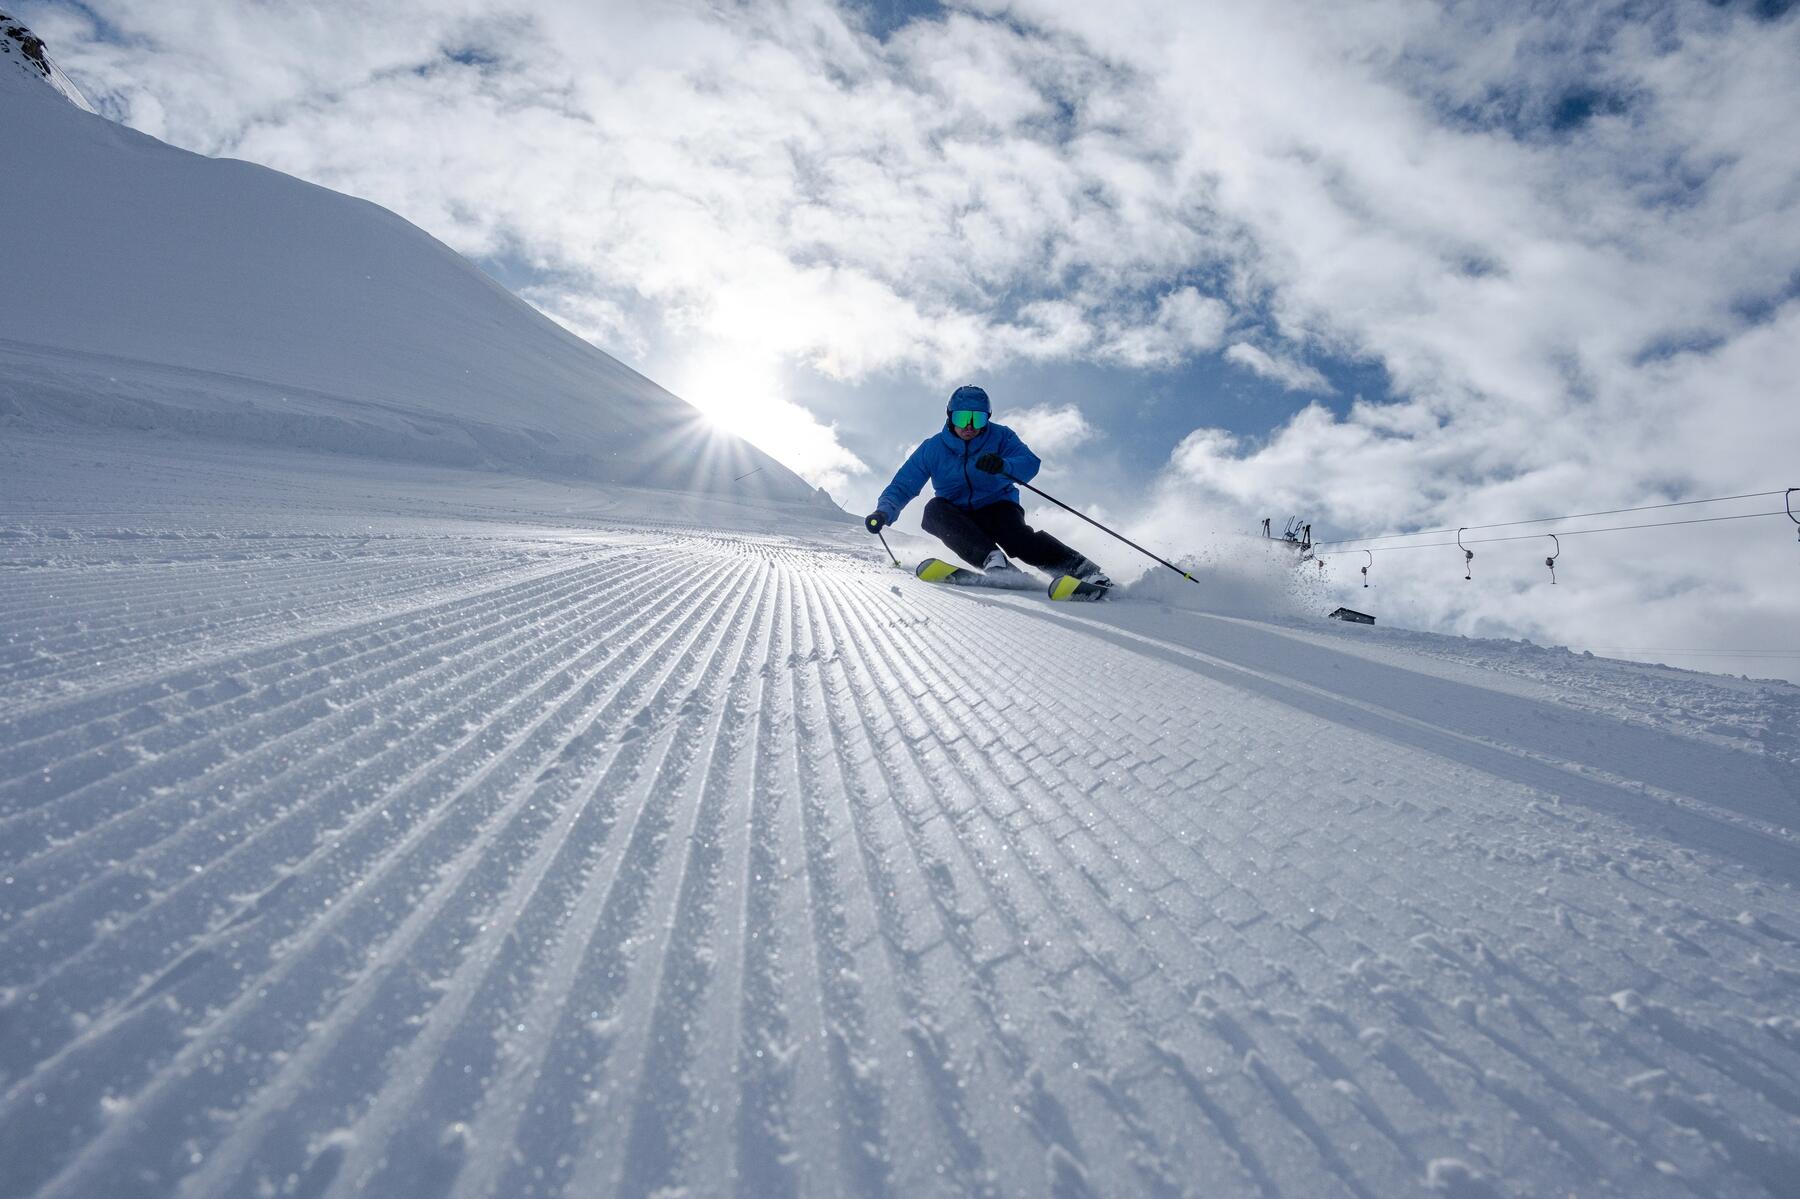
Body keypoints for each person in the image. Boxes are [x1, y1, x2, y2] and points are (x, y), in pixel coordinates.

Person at [864, 385, 1111, 586]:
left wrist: (1004, 465)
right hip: (959, 515)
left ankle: (1083, 571)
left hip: (998, 506)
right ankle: (993, 561)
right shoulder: (933, 448)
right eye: (963, 417)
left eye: (978, 418)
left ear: (987, 419)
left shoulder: (1001, 436)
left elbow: (1029, 463)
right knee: (933, 511)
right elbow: (904, 484)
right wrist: (884, 511)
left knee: (1017, 539)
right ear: (950, 416)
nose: (969, 426)